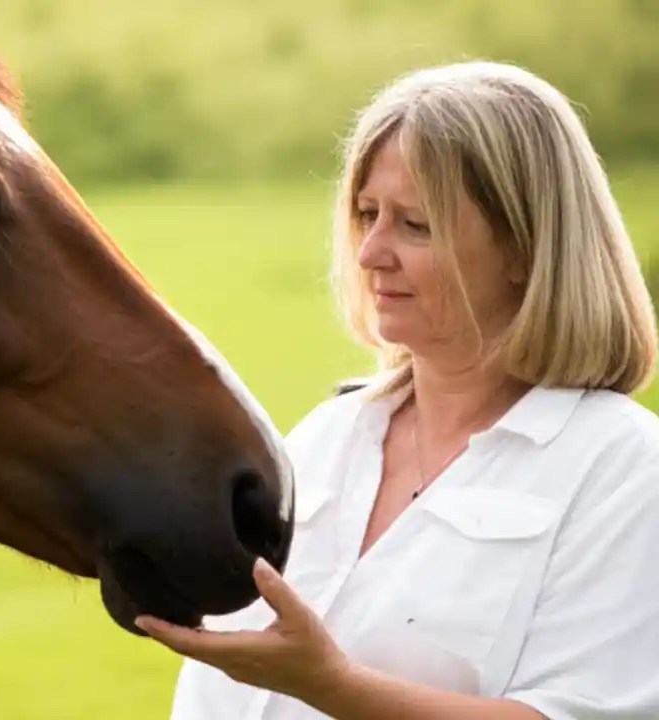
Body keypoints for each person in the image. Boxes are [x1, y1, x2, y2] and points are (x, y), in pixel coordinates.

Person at [135, 60, 659, 719]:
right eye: (367, 214)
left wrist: (333, 687)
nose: (370, 251)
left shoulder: (623, 468)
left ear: (526, 248)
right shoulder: (327, 436)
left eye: (416, 224)